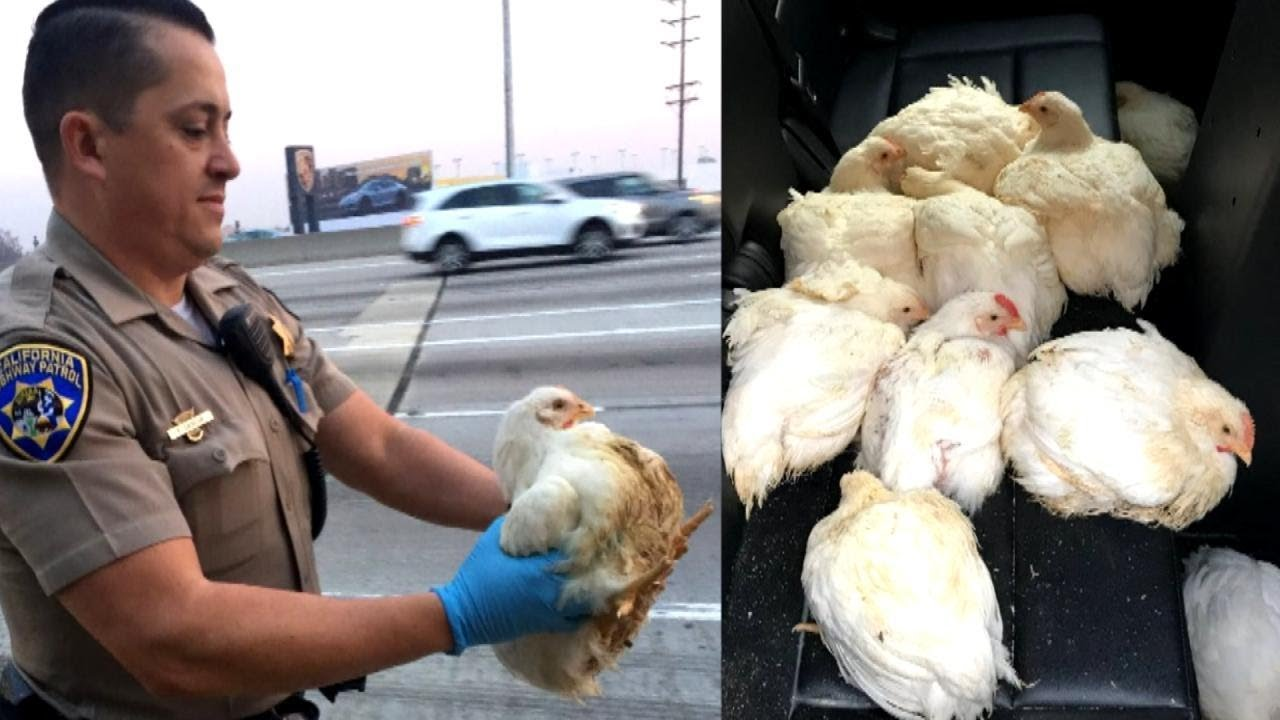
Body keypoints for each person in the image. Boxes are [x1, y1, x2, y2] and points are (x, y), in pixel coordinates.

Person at [0, 1, 585, 718]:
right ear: (89, 146)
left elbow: (374, 444)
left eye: (225, 127)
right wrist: (456, 615)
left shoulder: (226, 295)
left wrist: (543, 512)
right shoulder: (41, 364)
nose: (229, 160)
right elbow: (171, 636)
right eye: (192, 129)